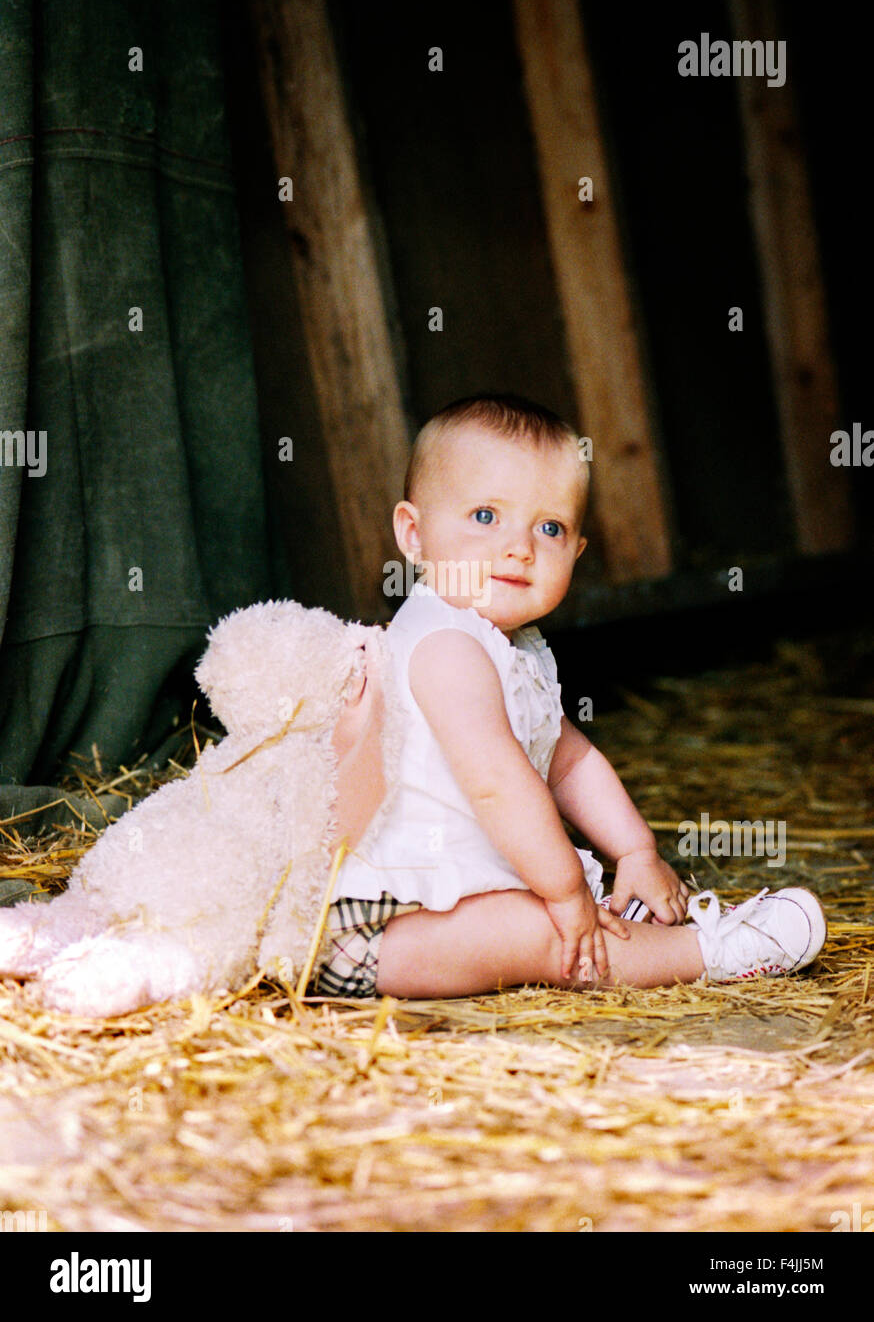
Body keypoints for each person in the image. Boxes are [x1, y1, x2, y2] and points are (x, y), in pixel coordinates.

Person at [312, 394, 826, 1000]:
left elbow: (567, 758)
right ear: (414, 534)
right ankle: (711, 954)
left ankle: (634, 932)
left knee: (546, 916)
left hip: (442, 910)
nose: (519, 547)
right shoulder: (442, 643)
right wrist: (565, 891)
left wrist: (633, 849)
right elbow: (497, 782)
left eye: (549, 527)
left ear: (577, 552)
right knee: (545, 931)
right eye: (484, 516)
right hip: (371, 929)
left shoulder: (512, 646)